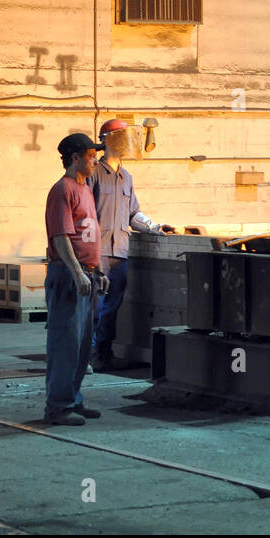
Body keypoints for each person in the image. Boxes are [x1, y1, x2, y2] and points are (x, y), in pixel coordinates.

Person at [89, 119, 174, 370]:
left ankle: (103, 354)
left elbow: (132, 213)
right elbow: (84, 214)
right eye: (121, 137)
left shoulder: (126, 177)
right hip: (99, 252)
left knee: (111, 308)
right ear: (108, 140)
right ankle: (88, 355)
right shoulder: (92, 174)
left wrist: (156, 227)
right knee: (95, 307)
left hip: (120, 252)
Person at [43, 133, 107, 426]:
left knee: (82, 346)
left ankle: (73, 399)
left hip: (87, 276)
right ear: (76, 158)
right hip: (69, 276)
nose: (95, 161)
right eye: (92, 156)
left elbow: (89, 234)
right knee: (65, 343)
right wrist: (77, 272)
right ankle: (58, 407)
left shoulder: (85, 189)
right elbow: (61, 236)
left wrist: (98, 269)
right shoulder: (62, 190)